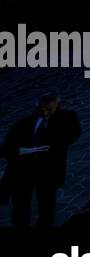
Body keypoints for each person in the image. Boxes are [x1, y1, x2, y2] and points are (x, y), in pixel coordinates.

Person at [2, 93, 82, 228]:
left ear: (57, 106)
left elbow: (73, 134)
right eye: (42, 109)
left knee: (46, 202)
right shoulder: (24, 123)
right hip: (23, 170)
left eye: (49, 110)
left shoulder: (66, 118)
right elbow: (7, 145)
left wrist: (52, 145)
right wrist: (19, 151)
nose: (45, 113)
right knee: (21, 203)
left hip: (47, 170)